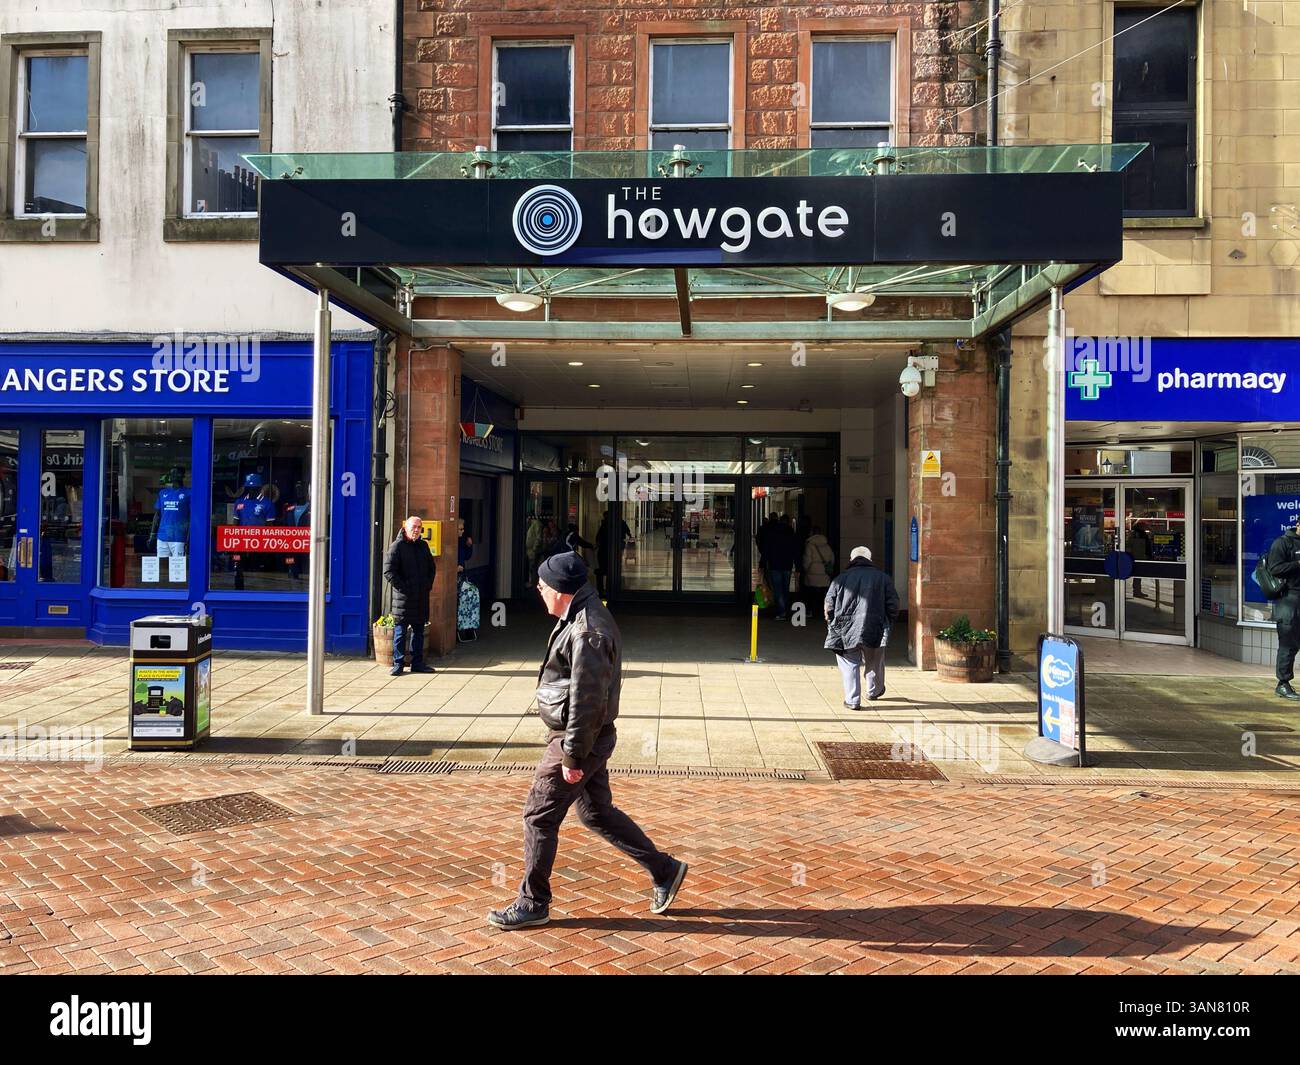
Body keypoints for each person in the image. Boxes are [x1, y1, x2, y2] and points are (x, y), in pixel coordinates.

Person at [487, 541, 686, 930]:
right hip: (585, 736)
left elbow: (587, 701)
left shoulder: (588, 630)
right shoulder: (580, 614)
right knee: (597, 813)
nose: (538, 591)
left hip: (576, 739)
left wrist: (573, 758)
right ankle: (664, 869)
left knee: (539, 817)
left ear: (560, 591)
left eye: (542, 587)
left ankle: (533, 902)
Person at [824, 546, 900, 709]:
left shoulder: (840, 579)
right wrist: (888, 621)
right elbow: (893, 605)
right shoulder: (883, 578)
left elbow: (828, 606)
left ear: (852, 560)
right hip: (875, 626)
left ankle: (852, 700)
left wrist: (832, 623)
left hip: (846, 629)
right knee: (874, 660)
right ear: (870, 559)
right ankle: (874, 690)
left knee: (849, 662)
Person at [383, 515, 436, 677]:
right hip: (403, 600)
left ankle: (417, 663)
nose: (417, 530)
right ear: (405, 527)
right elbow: (389, 572)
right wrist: (404, 588)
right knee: (400, 633)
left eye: (419, 528)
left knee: (419, 632)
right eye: (414, 527)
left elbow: (431, 568)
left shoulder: (423, 546)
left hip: (420, 597)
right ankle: (397, 664)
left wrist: (427, 585)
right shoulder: (397, 546)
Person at [1265, 515, 1300, 701]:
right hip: (1290, 599)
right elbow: (1275, 569)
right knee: (1288, 642)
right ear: (1298, 524)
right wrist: (1297, 564)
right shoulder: (1283, 543)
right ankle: (1283, 684)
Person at [763, 514, 799, 620]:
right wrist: (798, 566)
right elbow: (795, 551)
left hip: (775, 564)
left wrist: (763, 563)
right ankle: (785, 609)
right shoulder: (791, 533)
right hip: (787, 565)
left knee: (777, 589)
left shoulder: (773, 533)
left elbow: (767, 549)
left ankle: (781, 611)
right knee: (785, 588)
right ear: (788, 522)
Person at [595, 513, 632, 598]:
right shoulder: (620, 522)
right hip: (616, 547)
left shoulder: (605, 524)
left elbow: (598, 536)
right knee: (611, 569)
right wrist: (629, 536)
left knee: (603, 569)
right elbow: (627, 530)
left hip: (605, 549)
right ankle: (609, 589)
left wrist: (597, 544)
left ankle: (602, 591)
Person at [801, 524, 835, 597]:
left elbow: (807, 560)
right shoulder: (827, 546)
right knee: (822, 597)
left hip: (812, 575)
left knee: (813, 597)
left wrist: (806, 570)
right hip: (824, 575)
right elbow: (832, 559)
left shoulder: (809, 546)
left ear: (812, 533)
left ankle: (813, 608)